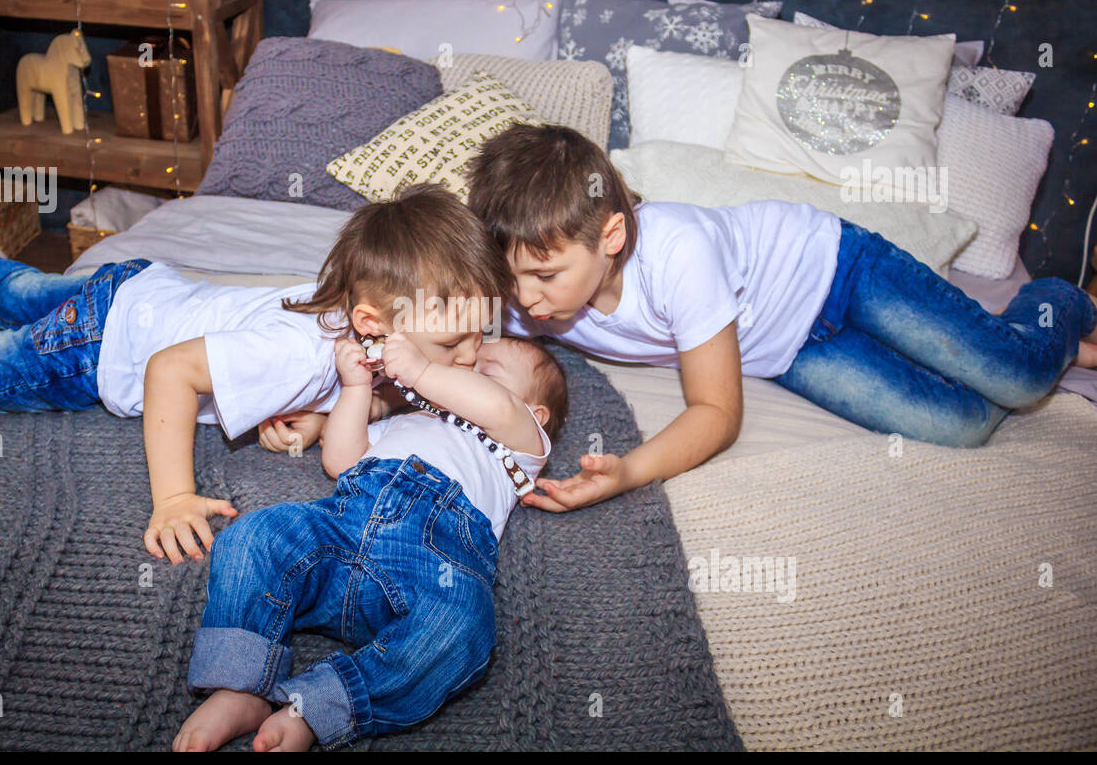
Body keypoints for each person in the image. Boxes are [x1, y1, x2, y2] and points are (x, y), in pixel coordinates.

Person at [0, 186, 513, 564]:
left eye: (481, 334)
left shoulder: (351, 318)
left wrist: (333, 414)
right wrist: (173, 496)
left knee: (16, 291)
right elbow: (174, 371)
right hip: (95, 350)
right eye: (453, 342)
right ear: (371, 320)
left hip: (139, 286)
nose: (469, 357)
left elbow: (361, 384)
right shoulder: (296, 354)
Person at [467, 123, 1097, 512]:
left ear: (609, 236)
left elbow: (716, 412)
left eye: (545, 276)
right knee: (961, 426)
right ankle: (1039, 341)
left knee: (1020, 378)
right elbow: (443, 328)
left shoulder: (678, 252)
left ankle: (1061, 301)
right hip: (793, 350)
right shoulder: (528, 299)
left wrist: (630, 470)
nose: (525, 300)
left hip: (837, 269)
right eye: (510, 278)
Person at [173, 333, 566, 751]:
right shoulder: (411, 418)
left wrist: (423, 372)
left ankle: (318, 706)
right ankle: (240, 685)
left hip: (437, 566)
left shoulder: (520, 443)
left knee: (465, 625)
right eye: (461, 366)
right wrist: (356, 388)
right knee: (256, 537)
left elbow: (498, 405)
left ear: (536, 413)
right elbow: (341, 460)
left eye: (485, 371)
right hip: (342, 532)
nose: (464, 369)